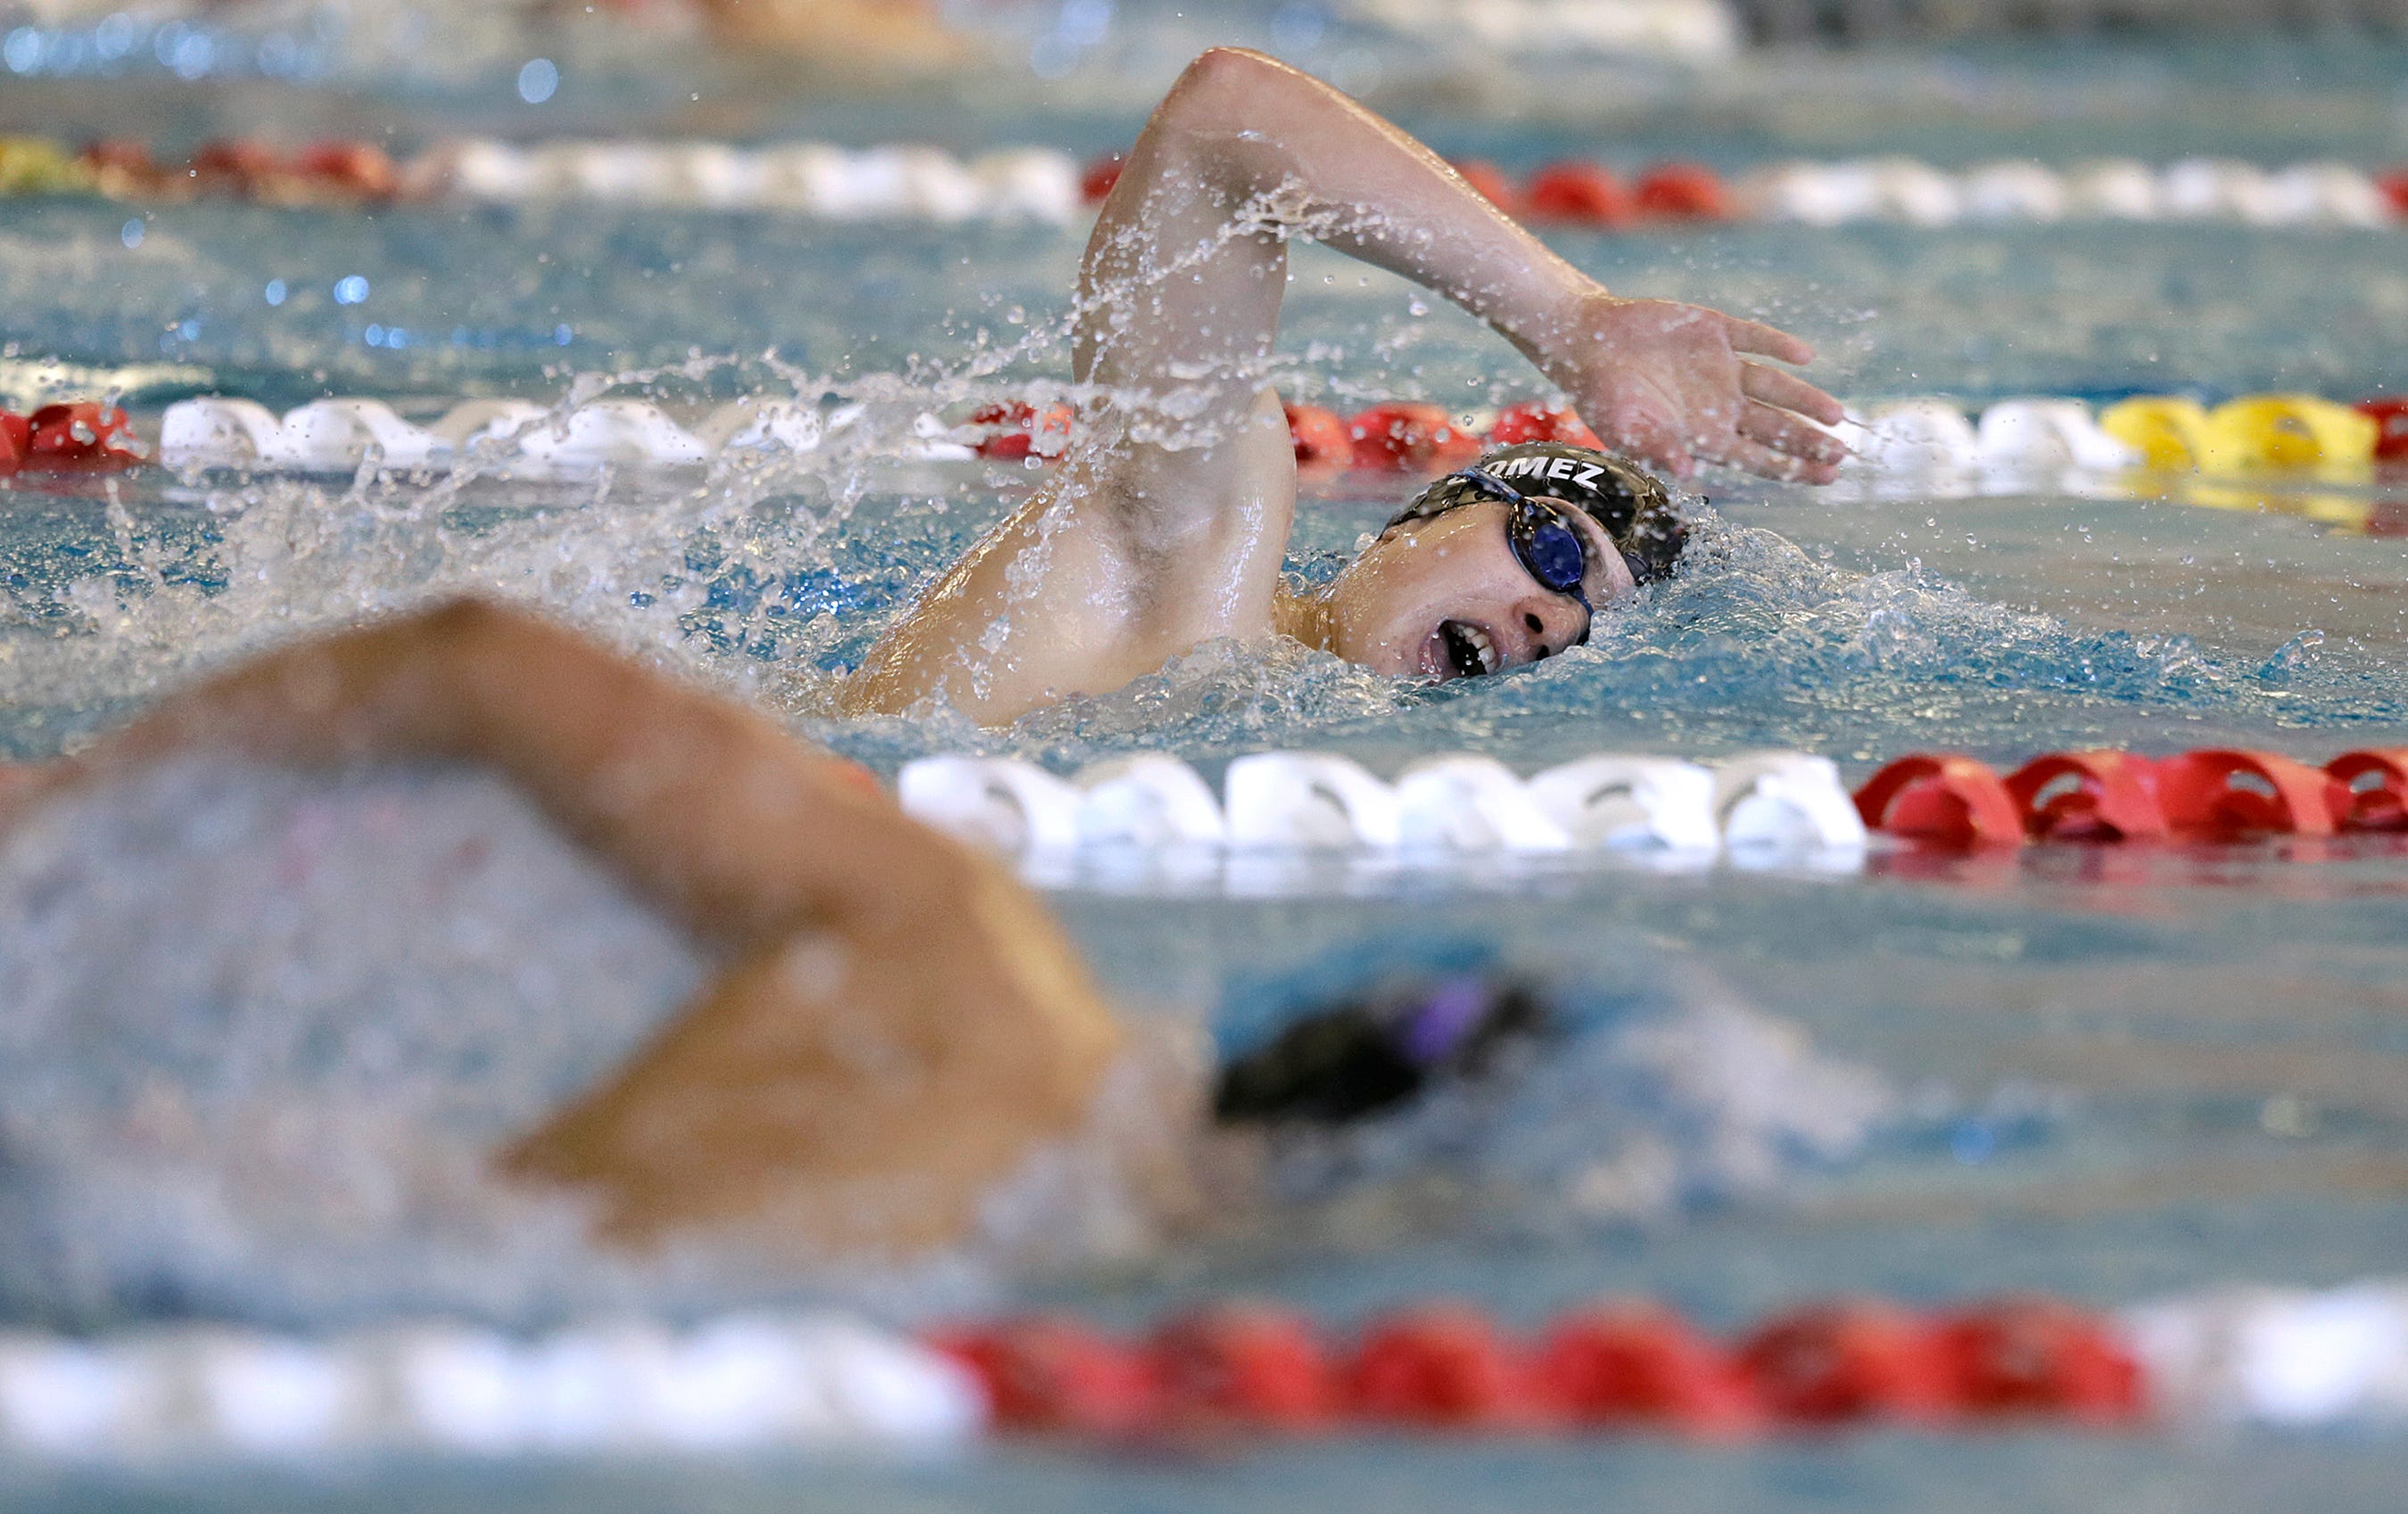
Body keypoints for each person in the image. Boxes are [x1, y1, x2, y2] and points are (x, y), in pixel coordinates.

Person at [840, 46, 1846, 726]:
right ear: (1414, 521)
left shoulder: (1286, 721)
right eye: (1552, 546)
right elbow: (1226, 115)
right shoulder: (1195, 546)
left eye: (1586, 627)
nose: (1552, 619)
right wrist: (1570, 321)